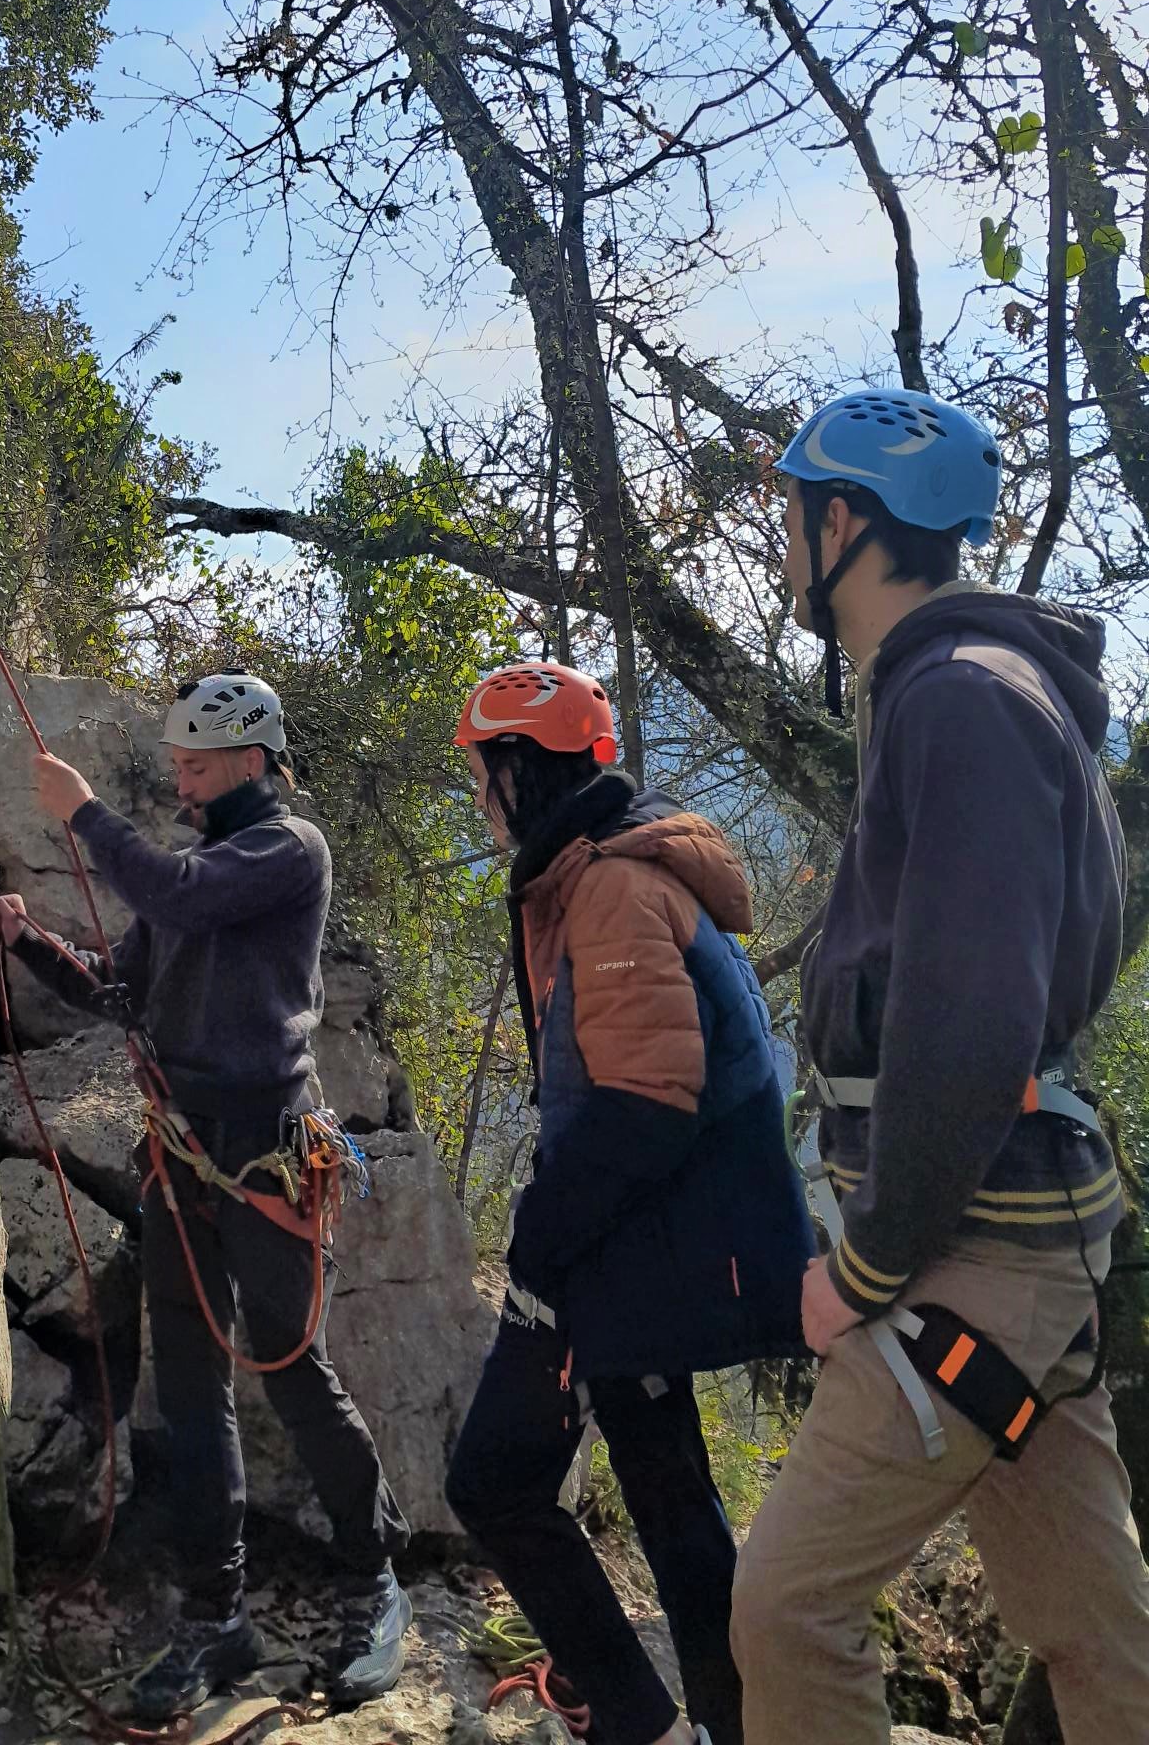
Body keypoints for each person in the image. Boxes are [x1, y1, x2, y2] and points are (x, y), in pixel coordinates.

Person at [731, 386, 1149, 1744]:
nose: (783, 540)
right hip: (1028, 1242)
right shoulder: (972, 694)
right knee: (1098, 1632)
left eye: (794, 511)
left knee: (785, 1610)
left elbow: (967, 1018)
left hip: (973, 1249)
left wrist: (861, 1266)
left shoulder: (959, 703)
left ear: (845, 522)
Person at [0, 672, 411, 1721]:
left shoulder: (285, 853)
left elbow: (177, 895)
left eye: (202, 762)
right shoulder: (195, 871)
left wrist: (81, 812)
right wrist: (31, 942)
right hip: (181, 1152)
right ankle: (215, 1617)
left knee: (294, 1374)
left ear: (256, 765)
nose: (184, 775)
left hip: (264, 1153)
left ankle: (373, 1581)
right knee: (187, 1387)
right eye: (178, 761)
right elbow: (122, 990)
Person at [443, 661, 813, 1745]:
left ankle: (640, 1715)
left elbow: (650, 1100)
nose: (477, 795)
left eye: (483, 772)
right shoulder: (604, 868)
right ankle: (712, 1725)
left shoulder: (609, 885)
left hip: (622, 1245)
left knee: (497, 1481)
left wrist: (540, 1242)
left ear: (523, 769)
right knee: (671, 1497)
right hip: (661, 1240)